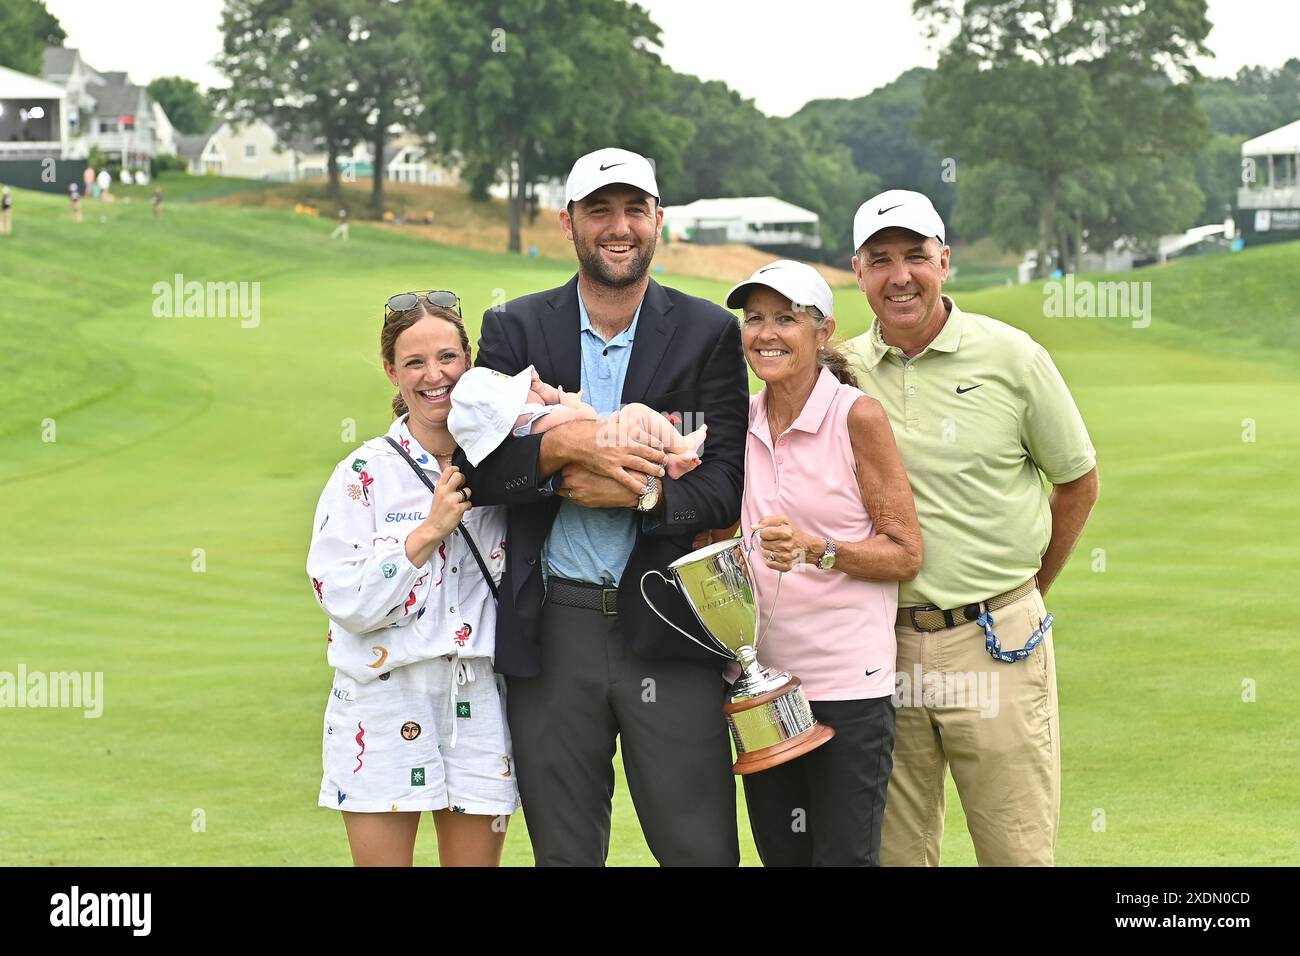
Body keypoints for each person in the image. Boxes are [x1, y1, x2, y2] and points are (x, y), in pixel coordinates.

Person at [455, 147, 749, 866]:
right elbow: (480, 470)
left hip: (672, 625)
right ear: (568, 222)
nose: (618, 227)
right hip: (555, 626)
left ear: (658, 221)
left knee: (700, 851)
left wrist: (642, 490)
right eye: (599, 211)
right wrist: (569, 454)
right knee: (565, 853)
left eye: (633, 210)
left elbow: (724, 486)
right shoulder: (516, 329)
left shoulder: (711, 331)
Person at [841, 189, 1100, 866]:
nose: (900, 275)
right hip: (881, 646)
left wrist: (1022, 591)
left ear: (945, 261)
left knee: (1015, 851)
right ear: (858, 270)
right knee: (896, 855)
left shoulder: (1013, 358)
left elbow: (1077, 482)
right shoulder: (838, 371)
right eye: (881, 259)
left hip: (998, 644)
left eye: (916, 257)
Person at [698, 260, 923, 866]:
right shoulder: (736, 421)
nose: (766, 334)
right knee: (783, 857)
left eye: (786, 320)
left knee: (844, 861)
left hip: (848, 686)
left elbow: (905, 551)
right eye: (754, 320)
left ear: (823, 331)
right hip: (762, 692)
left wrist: (816, 548)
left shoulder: (857, 416)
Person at [306, 290, 517, 866]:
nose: (435, 376)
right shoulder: (362, 473)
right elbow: (343, 598)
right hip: (380, 698)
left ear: (469, 362)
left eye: (448, 358)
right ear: (392, 373)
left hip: (476, 695)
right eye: (415, 363)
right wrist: (426, 534)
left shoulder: (503, 465)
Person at [449, 364, 707, 478]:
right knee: (637, 412)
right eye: (527, 389)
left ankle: (671, 462)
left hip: (603, 457)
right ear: (517, 409)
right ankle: (681, 445)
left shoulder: (522, 432)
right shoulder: (539, 419)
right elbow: (586, 417)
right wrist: (567, 401)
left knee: (644, 438)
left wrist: (550, 394)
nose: (535, 390)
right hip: (612, 438)